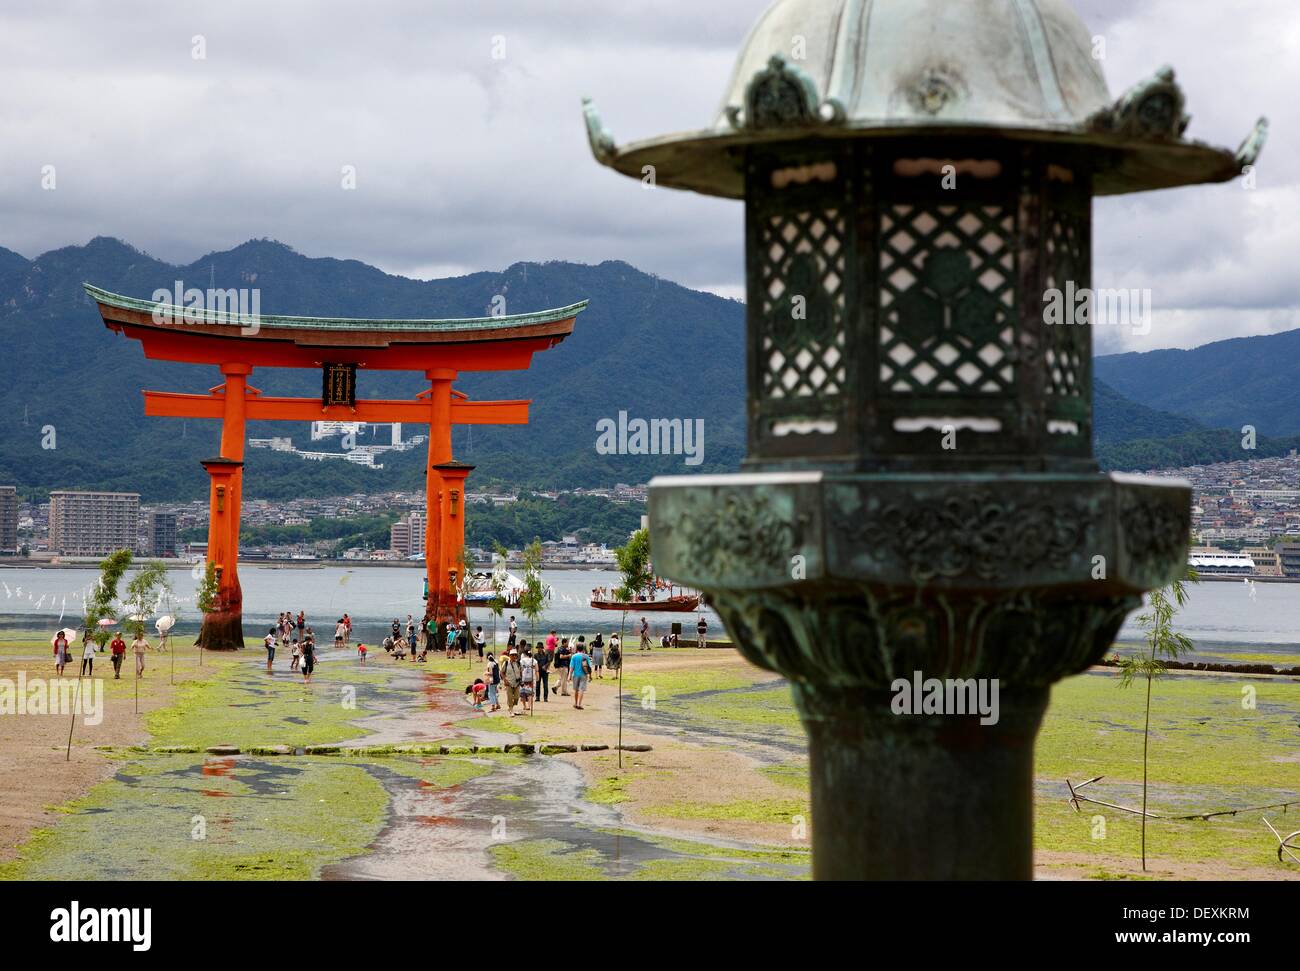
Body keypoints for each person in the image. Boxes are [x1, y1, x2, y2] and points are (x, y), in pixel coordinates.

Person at [570, 640, 592, 710]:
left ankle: (576, 703)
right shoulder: (586, 656)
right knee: (581, 690)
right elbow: (589, 667)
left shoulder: (574, 656)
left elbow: (571, 667)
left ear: (577, 649)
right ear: (583, 649)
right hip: (584, 675)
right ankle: (579, 704)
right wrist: (590, 676)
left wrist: (569, 676)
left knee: (576, 690)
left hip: (575, 675)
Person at [502, 648, 523, 716]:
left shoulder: (519, 663)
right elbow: (502, 672)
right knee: (510, 697)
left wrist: (521, 680)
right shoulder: (506, 663)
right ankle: (511, 710)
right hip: (509, 683)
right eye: (512, 655)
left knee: (516, 698)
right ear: (510, 656)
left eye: (515, 655)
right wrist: (505, 680)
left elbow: (521, 672)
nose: (514, 656)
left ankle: (511, 707)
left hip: (517, 683)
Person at [520, 645, 537, 715]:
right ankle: (529, 706)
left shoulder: (522, 661)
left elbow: (520, 670)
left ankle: (524, 706)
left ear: (524, 654)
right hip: (531, 678)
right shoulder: (534, 660)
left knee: (523, 693)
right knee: (530, 694)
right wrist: (537, 677)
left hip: (523, 678)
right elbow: (537, 670)